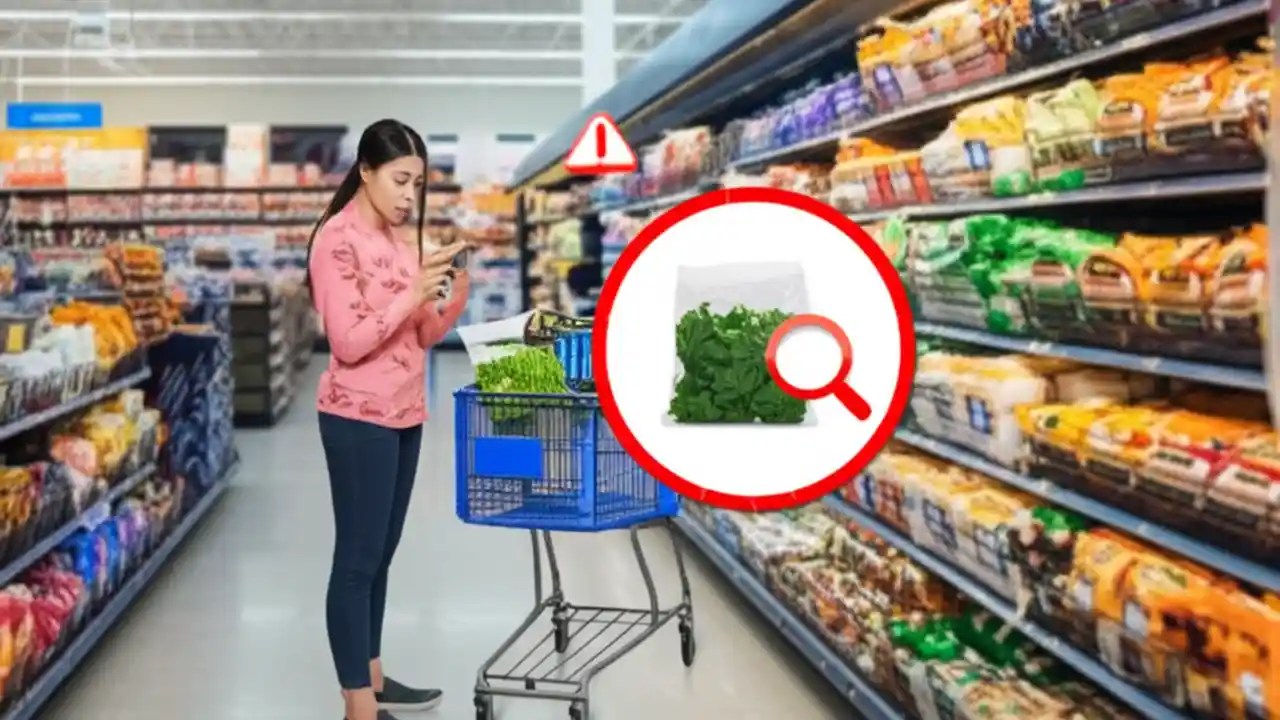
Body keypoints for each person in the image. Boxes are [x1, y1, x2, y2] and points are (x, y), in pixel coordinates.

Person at [306, 119, 470, 720]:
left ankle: (372, 677)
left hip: (404, 412)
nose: (410, 195)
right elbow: (347, 341)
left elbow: (422, 334)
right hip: (356, 418)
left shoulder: (404, 242)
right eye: (400, 180)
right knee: (355, 560)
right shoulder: (336, 240)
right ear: (366, 171)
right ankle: (358, 707)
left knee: (382, 554)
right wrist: (411, 293)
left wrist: (453, 289)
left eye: (419, 184)